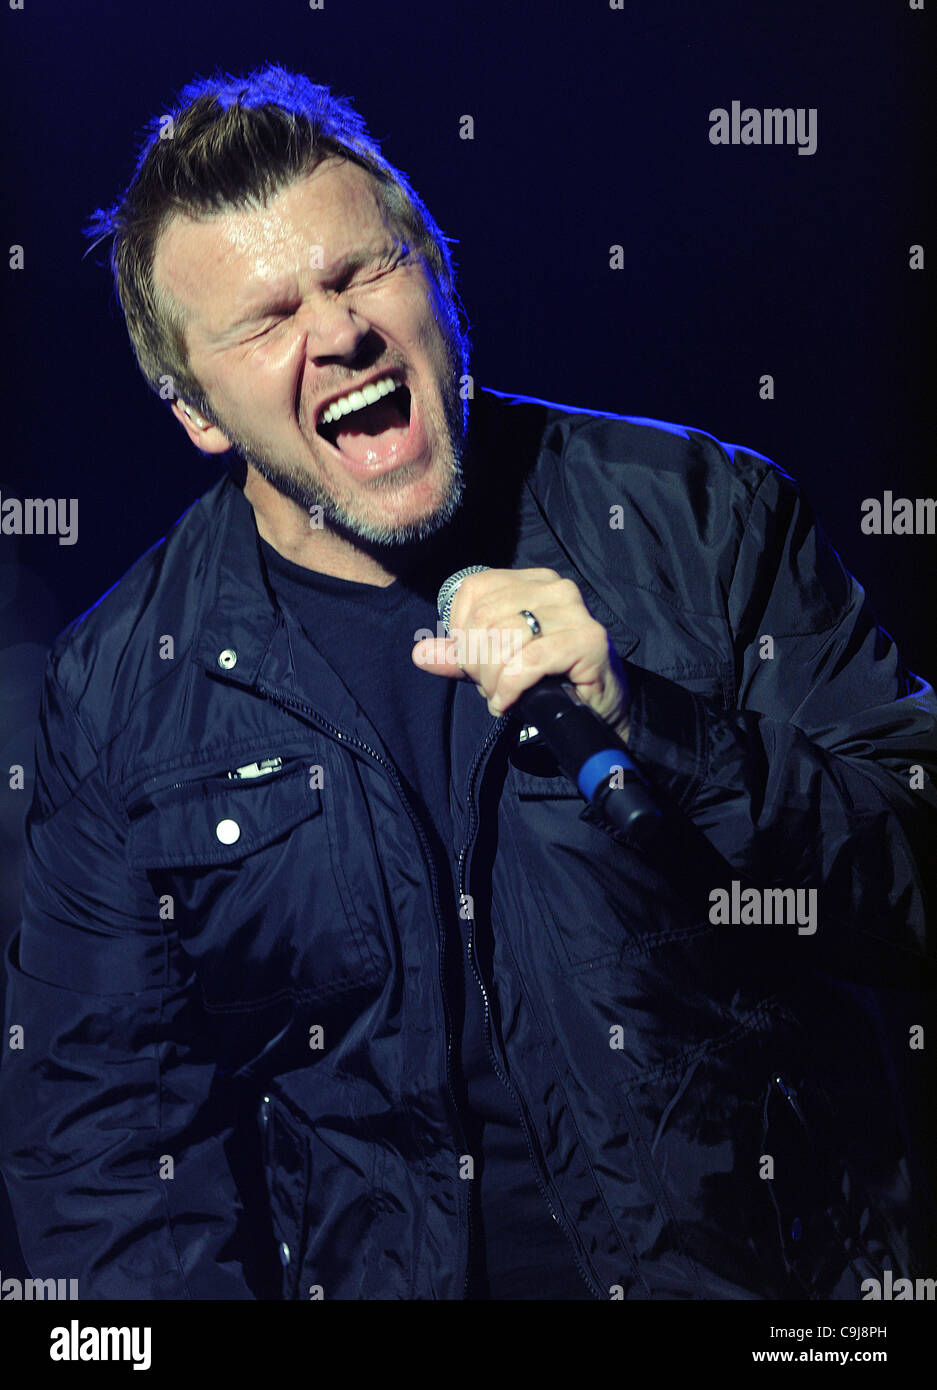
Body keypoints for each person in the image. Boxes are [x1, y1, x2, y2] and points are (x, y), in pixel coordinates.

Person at [0, 63, 934, 1302]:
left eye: (361, 272)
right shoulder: (122, 688)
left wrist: (650, 721)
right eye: (267, 318)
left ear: (440, 273)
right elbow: (101, 1138)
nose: (335, 332)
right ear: (198, 414)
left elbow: (915, 871)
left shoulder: (699, 518)